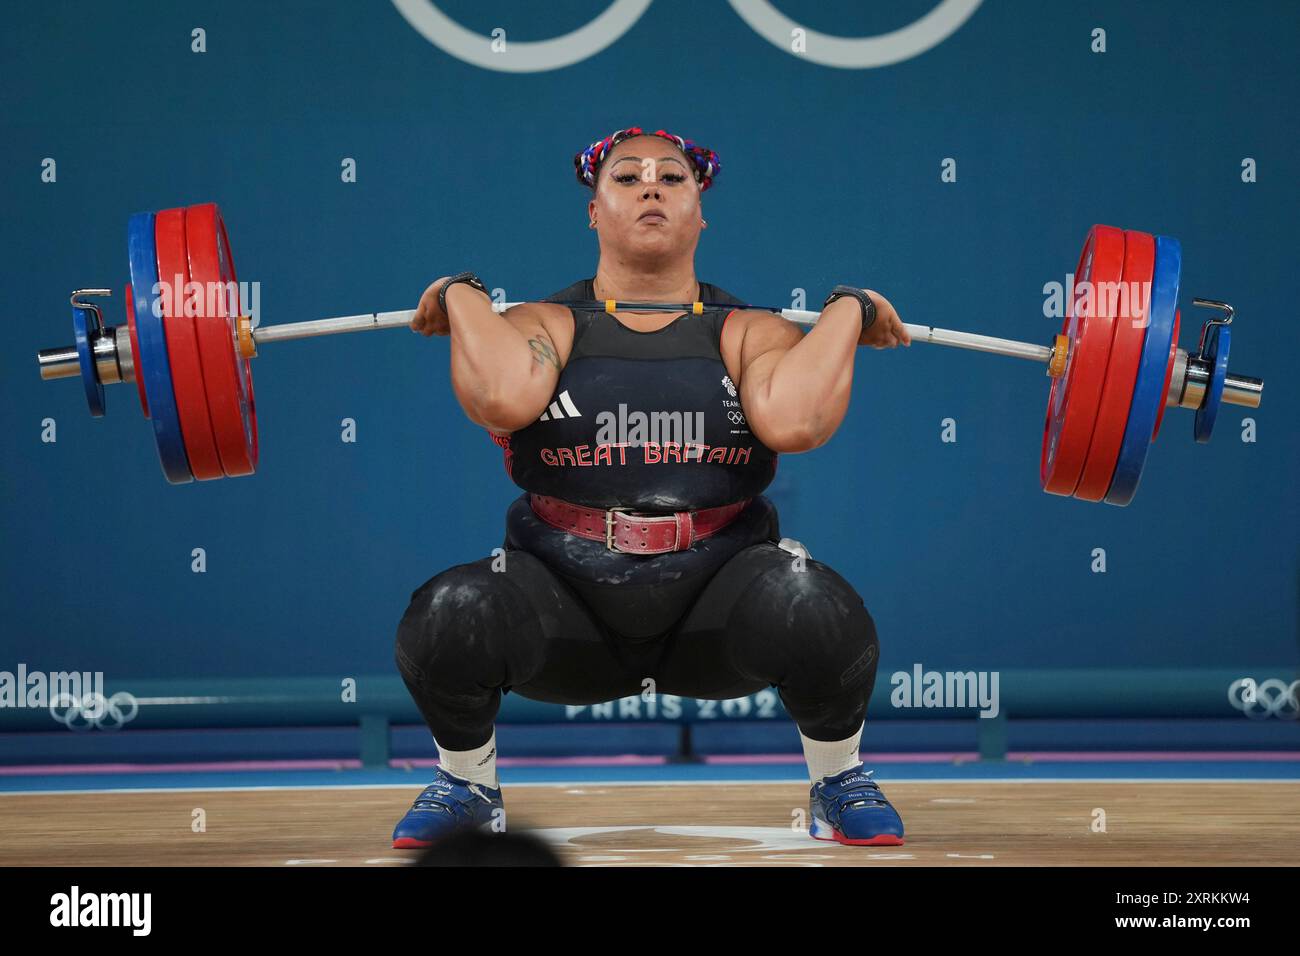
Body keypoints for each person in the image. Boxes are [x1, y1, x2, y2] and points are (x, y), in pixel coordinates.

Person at [392, 126, 912, 849]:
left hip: (717, 599)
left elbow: (795, 421)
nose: (650, 187)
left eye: (672, 178)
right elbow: (502, 398)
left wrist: (848, 311)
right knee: (451, 610)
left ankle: (839, 779)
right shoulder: (545, 323)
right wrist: (461, 296)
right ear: (594, 211)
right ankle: (469, 784)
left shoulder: (748, 330)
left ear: (700, 213)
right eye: (627, 177)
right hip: (563, 603)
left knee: (813, 601)